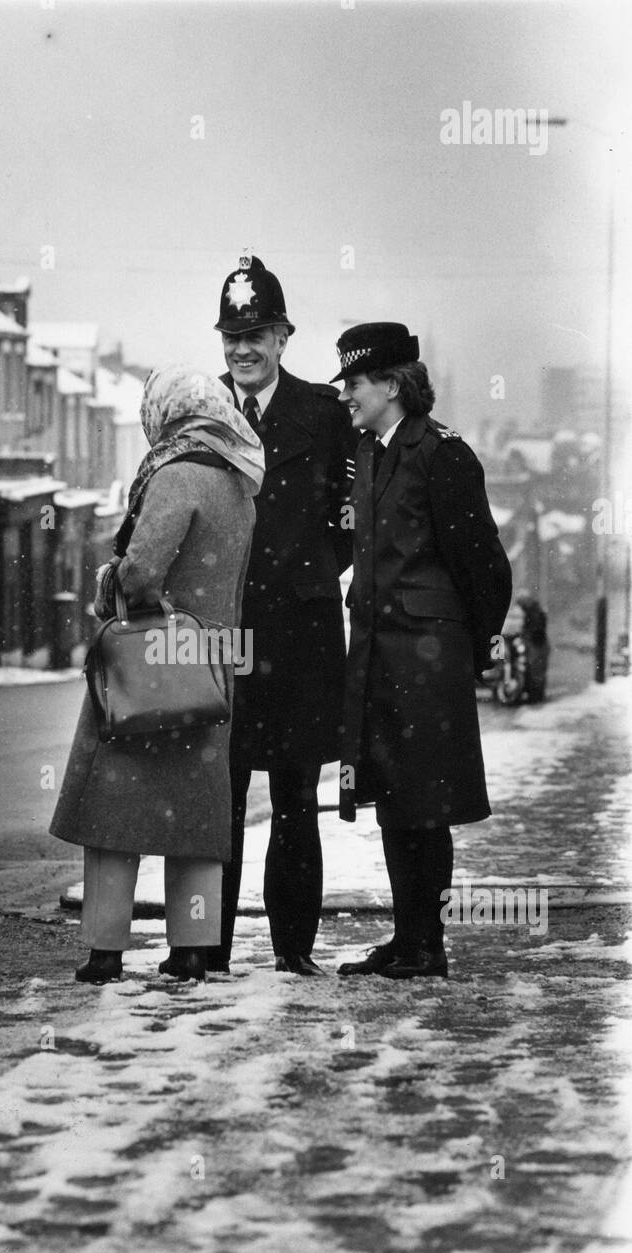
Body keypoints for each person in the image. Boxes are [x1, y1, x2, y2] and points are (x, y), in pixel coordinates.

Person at [50, 365, 261, 984]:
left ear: (165, 413)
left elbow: (142, 576)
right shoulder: (238, 481)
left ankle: (105, 950)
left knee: (112, 814)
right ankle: (193, 948)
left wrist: (107, 581)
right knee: (195, 817)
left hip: (150, 664)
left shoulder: (175, 475)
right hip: (210, 667)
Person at [332, 322, 512, 980]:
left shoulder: (442, 456)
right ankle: (407, 939)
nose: (346, 395)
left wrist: (467, 647)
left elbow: (484, 566)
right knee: (392, 800)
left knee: (425, 805)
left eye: (353, 383)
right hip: (378, 656)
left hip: (425, 660)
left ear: (390, 384)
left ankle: (426, 945)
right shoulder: (371, 452)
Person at [211, 252, 359, 976]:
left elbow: (350, 518)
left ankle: (292, 949)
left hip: (300, 635)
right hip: (221, 637)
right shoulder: (201, 412)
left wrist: (305, 572)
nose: (243, 349)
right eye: (232, 336)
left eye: (257, 334)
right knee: (218, 796)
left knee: (297, 796)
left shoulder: (324, 416)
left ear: (283, 338)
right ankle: (206, 950)